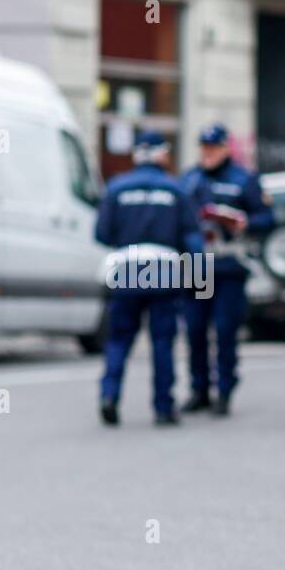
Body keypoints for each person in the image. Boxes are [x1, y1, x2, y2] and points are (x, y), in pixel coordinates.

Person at [94, 131, 203, 426]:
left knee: (119, 339)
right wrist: (198, 283)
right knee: (162, 341)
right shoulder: (175, 189)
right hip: (164, 271)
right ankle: (164, 407)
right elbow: (192, 240)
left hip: (127, 268)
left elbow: (101, 234)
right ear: (160, 154)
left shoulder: (117, 188)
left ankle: (109, 395)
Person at [180, 123, 274, 417]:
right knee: (195, 329)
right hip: (197, 266)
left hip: (229, 266)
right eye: (203, 149)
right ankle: (199, 389)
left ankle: (224, 389)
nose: (207, 154)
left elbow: (267, 217)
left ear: (224, 149)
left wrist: (245, 221)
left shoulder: (244, 179)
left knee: (224, 330)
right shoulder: (189, 179)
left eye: (213, 149)